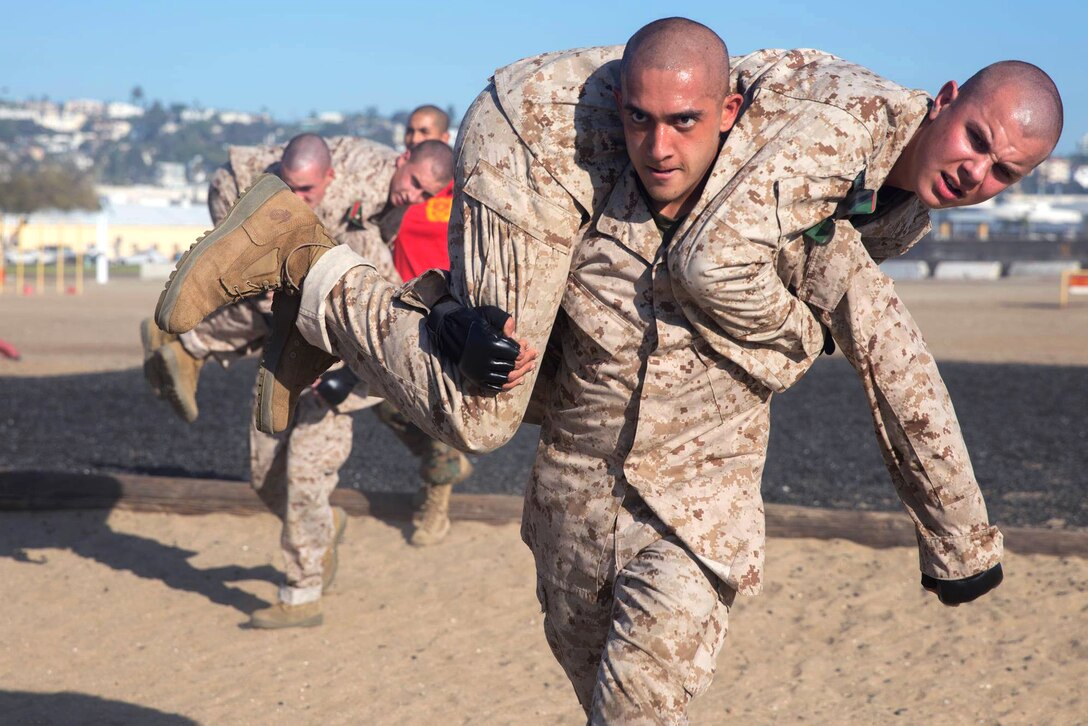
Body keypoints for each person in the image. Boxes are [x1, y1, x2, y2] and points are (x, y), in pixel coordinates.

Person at [153, 17, 1060, 719]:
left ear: (726, 118)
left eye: (1004, 172)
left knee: (635, 704)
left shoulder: (863, 218)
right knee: (486, 400)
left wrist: (962, 544)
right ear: (946, 101)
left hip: (696, 513)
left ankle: (319, 295)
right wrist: (792, 339)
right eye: (977, 139)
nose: (977, 172)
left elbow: (895, 360)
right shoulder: (810, 139)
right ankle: (312, 275)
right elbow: (710, 261)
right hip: (570, 441)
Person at [144, 134, 471, 629]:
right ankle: (322, 527)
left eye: (426, 194)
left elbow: (387, 323)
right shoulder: (323, 198)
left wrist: (350, 382)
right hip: (288, 355)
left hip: (337, 379)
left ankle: (302, 594)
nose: (414, 197)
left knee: (304, 477)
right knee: (265, 477)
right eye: (414, 184)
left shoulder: (369, 235)